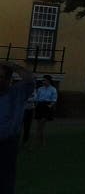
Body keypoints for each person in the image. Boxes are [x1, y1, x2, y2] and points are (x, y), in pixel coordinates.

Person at [1, 62, 35, 194]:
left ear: (8, 79)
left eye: (1, 77)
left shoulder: (17, 92)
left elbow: (29, 79)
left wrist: (10, 65)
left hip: (7, 143)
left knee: (5, 178)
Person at [32, 74, 57, 147]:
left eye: (45, 80)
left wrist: (50, 106)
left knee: (41, 125)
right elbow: (36, 98)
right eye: (43, 80)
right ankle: (42, 143)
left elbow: (54, 99)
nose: (43, 81)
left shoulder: (53, 89)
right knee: (39, 126)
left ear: (48, 81)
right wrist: (35, 105)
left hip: (47, 107)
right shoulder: (40, 89)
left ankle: (36, 142)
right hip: (39, 106)